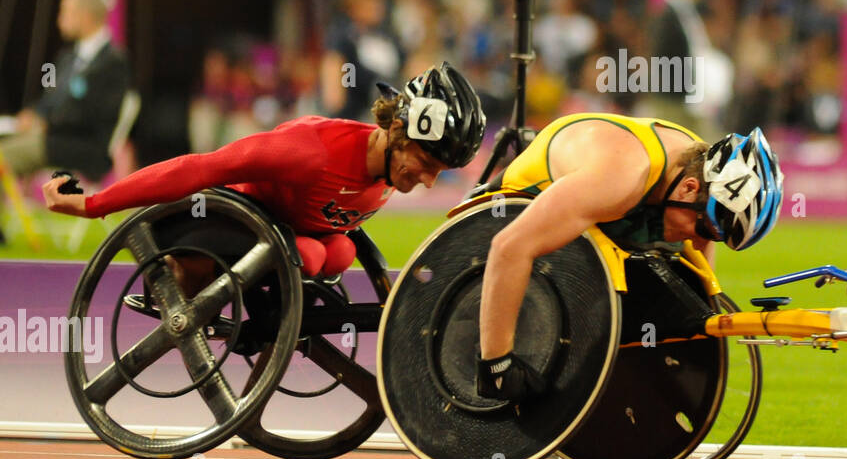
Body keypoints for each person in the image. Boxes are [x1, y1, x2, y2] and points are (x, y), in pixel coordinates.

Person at [44, 63, 485, 282]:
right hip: (203, 225)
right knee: (311, 255)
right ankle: (183, 276)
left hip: (283, 237)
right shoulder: (310, 152)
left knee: (337, 253)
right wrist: (94, 204)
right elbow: (202, 167)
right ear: (399, 131)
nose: (429, 181)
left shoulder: (388, 170)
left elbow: (345, 225)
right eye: (427, 165)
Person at [475, 112, 782, 402]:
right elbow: (508, 248)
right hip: (521, 197)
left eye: (716, 236)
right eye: (706, 229)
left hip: (608, 193)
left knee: (670, 258)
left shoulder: (698, 169)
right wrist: (496, 365)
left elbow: (700, 252)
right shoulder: (618, 180)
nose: (698, 240)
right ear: (689, 189)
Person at [0, 0, 130, 188]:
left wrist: (47, 123)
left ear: (85, 16)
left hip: (82, 146)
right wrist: (34, 113)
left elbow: (96, 115)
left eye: (65, 12)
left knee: (4, 155)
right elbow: (49, 97)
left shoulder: (114, 62)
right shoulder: (66, 57)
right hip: (53, 137)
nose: (59, 20)